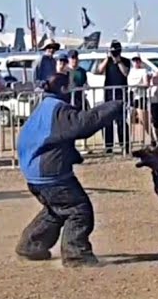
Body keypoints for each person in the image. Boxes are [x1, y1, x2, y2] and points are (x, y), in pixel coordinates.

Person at [15, 74, 125, 267]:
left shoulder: (44, 108)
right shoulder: (58, 110)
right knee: (79, 210)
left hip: (35, 174)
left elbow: (53, 138)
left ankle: (31, 245)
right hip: (50, 174)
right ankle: (77, 255)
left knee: (57, 210)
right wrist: (114, 106)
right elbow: (83, 125)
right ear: (65, 89)